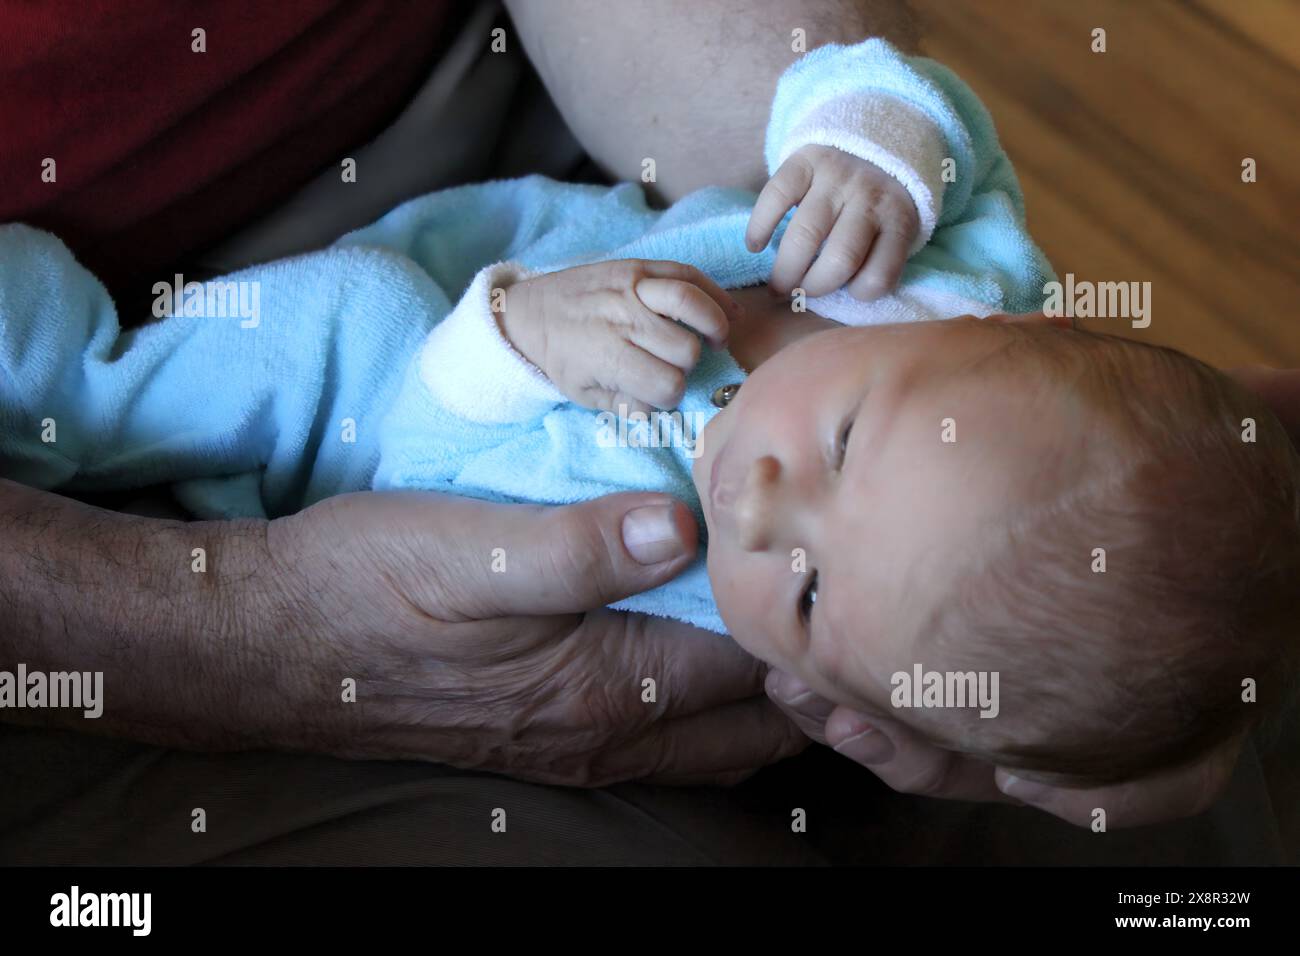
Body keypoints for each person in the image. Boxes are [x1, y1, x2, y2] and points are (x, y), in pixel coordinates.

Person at [0, 0, 1294, 864]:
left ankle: (73, 382)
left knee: (335, 321)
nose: (759, 502)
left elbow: (411, 463)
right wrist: (865, 150)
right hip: (509, 204)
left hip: (384, 384)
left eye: (804, 591)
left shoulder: (652, 541)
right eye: (842, 445)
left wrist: (515, 343)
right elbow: (933, 131)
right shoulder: (952, 279)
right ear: (1025, 331)